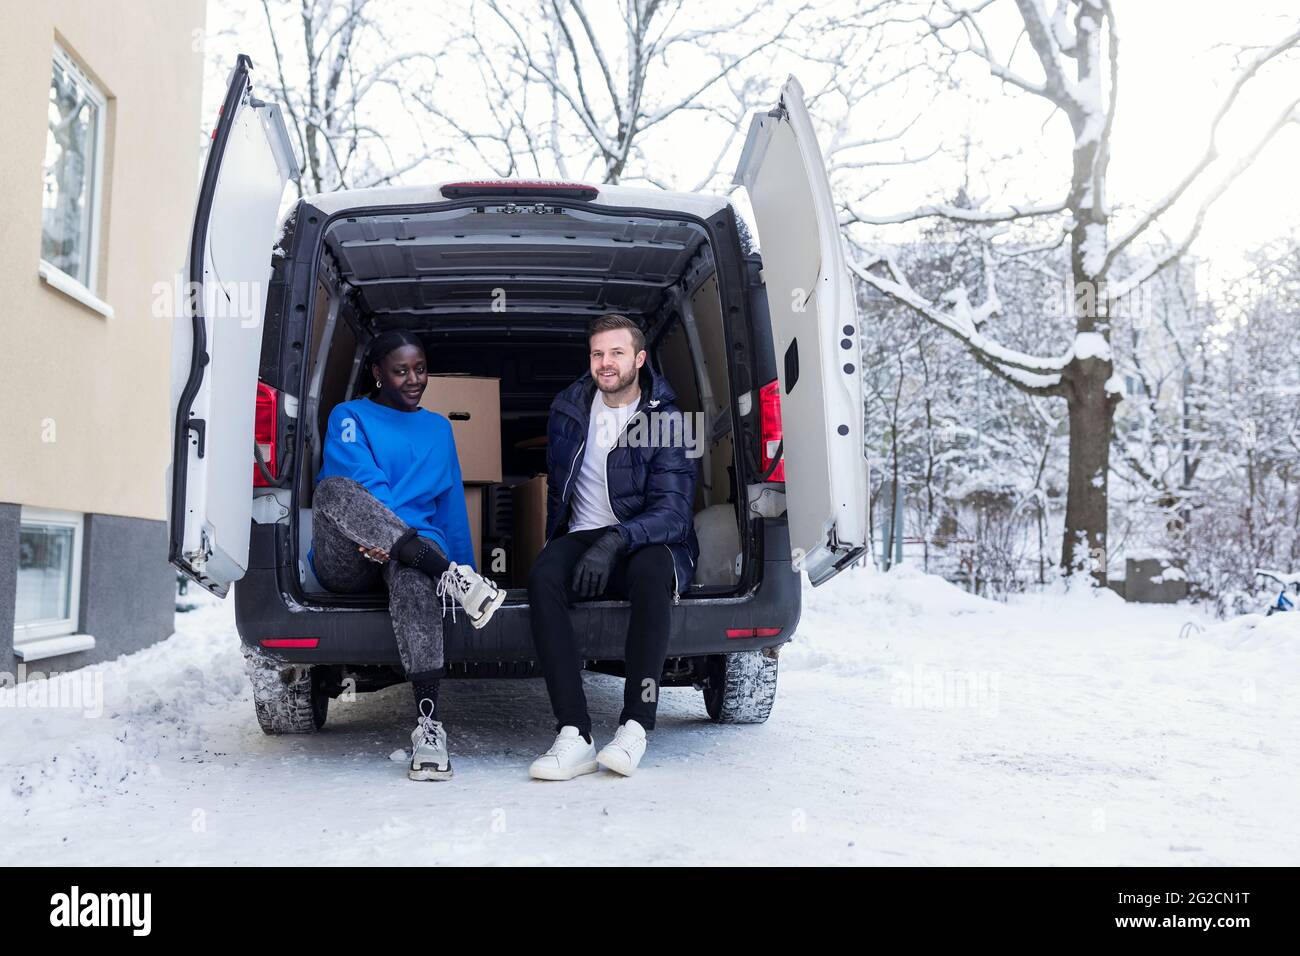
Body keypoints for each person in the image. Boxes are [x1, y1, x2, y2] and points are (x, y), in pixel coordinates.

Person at [308, 330, 506, 781]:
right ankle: (444, 572)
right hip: (352, 550)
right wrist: (396, 539)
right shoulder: (350, 416)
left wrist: (464, 564)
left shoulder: (438, 427)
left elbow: (451, 504)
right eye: (401, 371)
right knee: (333, 489)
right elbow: (364, 487)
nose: (414, 379)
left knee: (416, 568)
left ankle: (429, 725)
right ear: (378, 373)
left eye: (420, 369)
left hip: (417, 550)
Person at [527, 313, 699, 780]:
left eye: (617, 352)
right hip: (584, 532)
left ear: (639, 359)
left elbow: (674, 514)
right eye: (598, 353)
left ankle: (635, 726)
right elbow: (559, 489)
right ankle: (574, 734)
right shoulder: (568, 409)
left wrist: (616, 540)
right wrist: (570, 543)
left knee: (649, 575)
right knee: (543, 577)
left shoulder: (666, 420)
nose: (605, 363)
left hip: (648, 537)